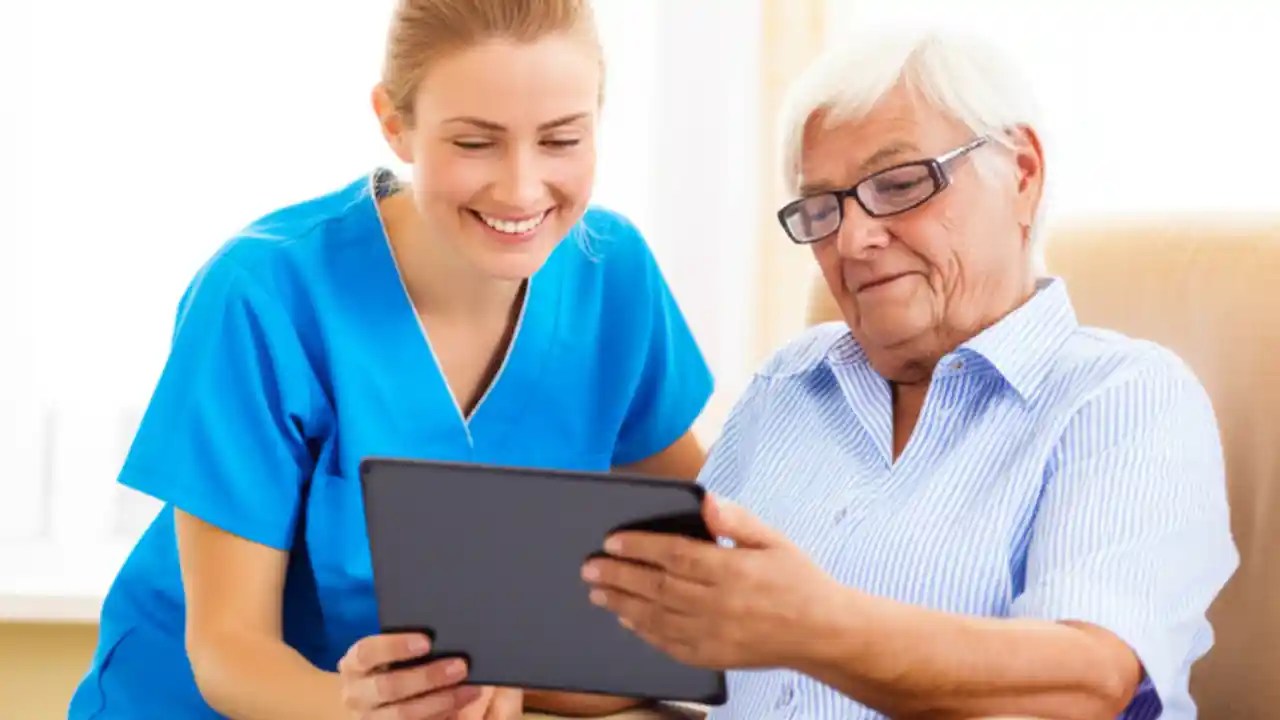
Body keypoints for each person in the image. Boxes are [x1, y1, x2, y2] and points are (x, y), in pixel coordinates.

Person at [69, 1, 712, 718]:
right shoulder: (263, 294)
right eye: (475, 143)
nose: (522, 188)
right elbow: (228, 651)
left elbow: (712, 537)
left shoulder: (611, 275)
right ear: (393, 122)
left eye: (561, 140)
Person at [582, 29, 1239, 720]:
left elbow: (1087, 680)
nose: (852, 240)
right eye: (822, 209)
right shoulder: (788, 384)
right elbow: (662, 646)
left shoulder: (1124, 396)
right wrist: (487, 673)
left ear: (1022, 173)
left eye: (898, 185)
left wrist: (815, 626)